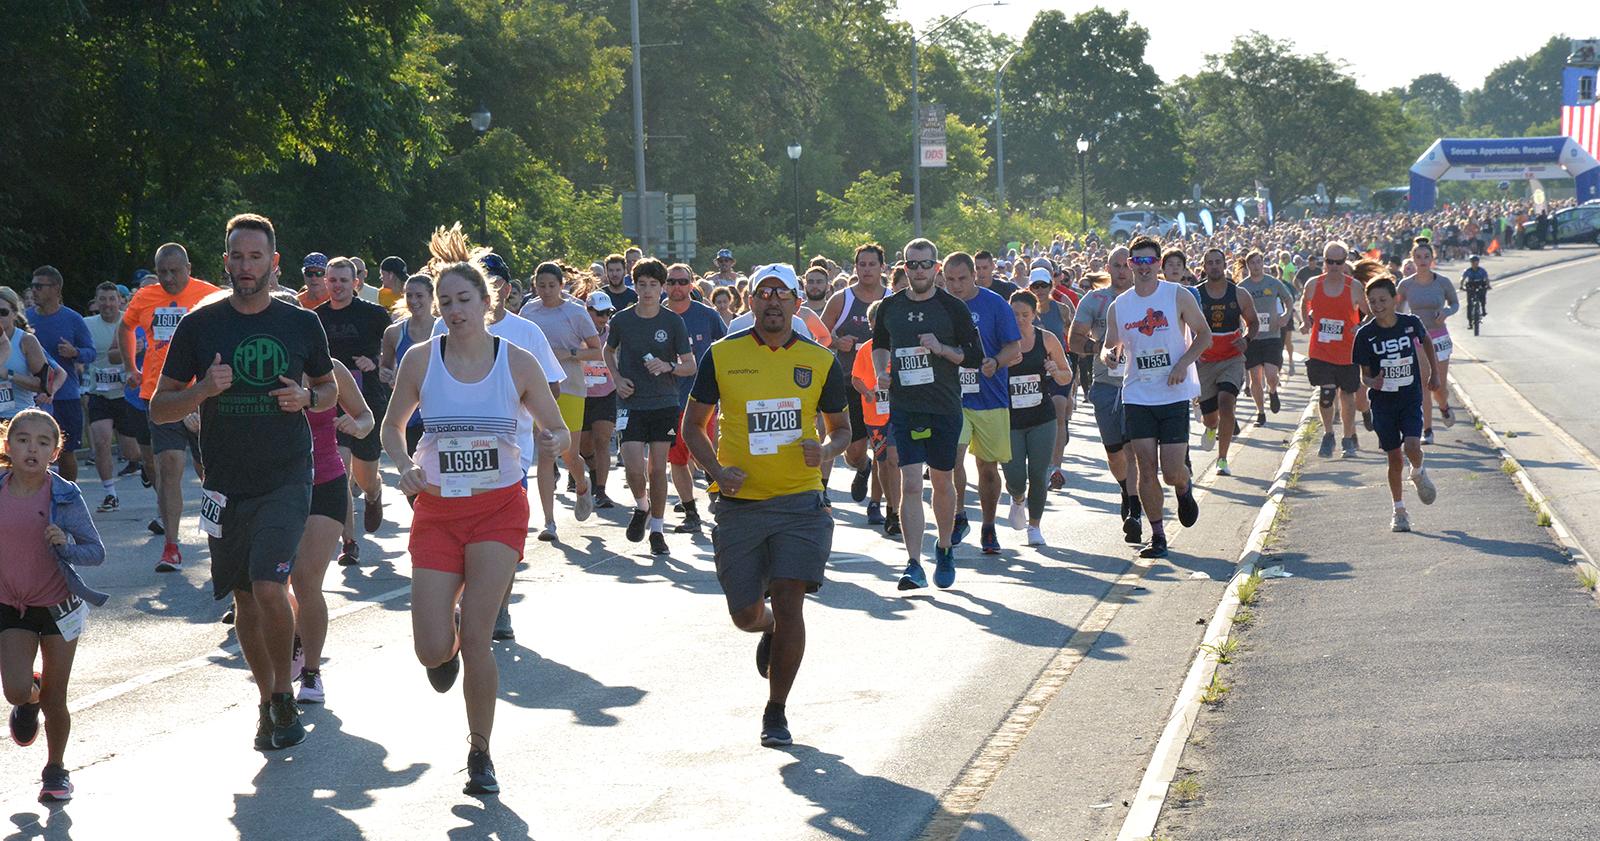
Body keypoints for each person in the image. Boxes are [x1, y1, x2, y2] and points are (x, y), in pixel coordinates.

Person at [381, 225, 569, 795]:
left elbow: (554, 423)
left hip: (497, 510)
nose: (455, 311)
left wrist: (556, 440)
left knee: (481, 637)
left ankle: (481, 753)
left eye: (465, 301)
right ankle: (447, 643)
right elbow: (391, 427)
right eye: (446, 303)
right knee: (431, 649)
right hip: (437, 510)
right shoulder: (419, 359)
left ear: (489, 302)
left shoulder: (516, 362)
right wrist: (404, 467)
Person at [152, 212, 337, 752]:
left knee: (268, 585)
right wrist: (203, 390)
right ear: (225, 260)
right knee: (245, 600)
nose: (246, 266)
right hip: (224, 483)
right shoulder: (201, 326)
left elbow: (329, 392)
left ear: (274, 263)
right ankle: (265, 699)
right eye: (237, 256)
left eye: (256, 257)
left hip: (286, 475)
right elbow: (161, 409)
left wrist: (307, 398)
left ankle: (284, 692)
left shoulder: (300, 323)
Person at [681, 263, 849, 747]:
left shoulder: (820, 361)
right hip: (740, 505)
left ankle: (776, 710)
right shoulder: (722, 354)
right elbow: (693, 426)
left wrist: (829, 450)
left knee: (792, 597)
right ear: (749, 302)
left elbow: (842, 430)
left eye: (782, 294)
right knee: (743, 613)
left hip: (801, 502)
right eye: (763, 294)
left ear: (798, 303)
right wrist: (715, 472)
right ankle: (766, 626)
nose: (772, 302)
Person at [0, 408, 107, 803]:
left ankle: (56, 769)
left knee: (56, 698)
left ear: (55, 451)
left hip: (60, 607)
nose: (32, 448)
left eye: (43, 442)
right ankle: (30, 697)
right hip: (12, 604)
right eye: (24, 439)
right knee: (15, 690)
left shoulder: (65, 494)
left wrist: (66, 543)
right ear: (8, 446)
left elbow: (95, 553)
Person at [872, 238, 983, 589]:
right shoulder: (890, 306)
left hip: (943, 406)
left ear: (936, 268)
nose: (918, 270)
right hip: (906, 407)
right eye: (912, 264)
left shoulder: (952, 307)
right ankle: (914, 563)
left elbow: (974, 356)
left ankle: (945, 547)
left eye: (925, 264)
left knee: (941, 481)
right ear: (904, 268)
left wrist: (942, 349)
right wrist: (881, 372)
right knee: (908, 484)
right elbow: (879, 345)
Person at [1102, 236, 1211, 559]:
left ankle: (1183, 488)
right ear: (1131, 265)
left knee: (1172, 469)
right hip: (1137, 394)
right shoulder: (1119, 305)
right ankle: (1158, 535)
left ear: (1159, 264)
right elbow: (1111, 345)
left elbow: (1204, 335)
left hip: (1173, 392)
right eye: (1138, 262)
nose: (1144, 267)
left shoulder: (1177, 295)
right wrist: (1109, 355)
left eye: (1151, 261)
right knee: (1146, 468)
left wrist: (1182, 363)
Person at [120, 243, 219, 570]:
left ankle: (219, 538)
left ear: (188, 268)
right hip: (160, 395)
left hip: (203, 397)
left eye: (174, 271)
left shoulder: (209, 295)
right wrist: (130, 367)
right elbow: (126, 326)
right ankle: (172, 546)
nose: (167, 278)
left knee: (211, 474)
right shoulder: (145, 296)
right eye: (162, 272)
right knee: (169, 467)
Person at [289, 352, 372, 704]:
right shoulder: (254, 370)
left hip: (326, 482)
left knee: (307, 580)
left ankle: (311, 673)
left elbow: (366, 416)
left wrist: (358, 427)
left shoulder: (330, 368)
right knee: (273, 583)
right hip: (274, 488)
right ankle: (294, 632)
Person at [603, 258, 696, 556]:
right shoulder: (622, 320)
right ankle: (641, 506)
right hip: (630, 402)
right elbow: (608, 350)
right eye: (641, 284)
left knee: (657, 470)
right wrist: (617, 378)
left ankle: (657, 529)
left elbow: (689, 365)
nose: (647, 290)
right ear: (635, 285)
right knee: (632, 468)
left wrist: (668, 365)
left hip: (664, 402)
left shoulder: (672, 322)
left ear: (662, 287)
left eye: (653, 285)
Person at [314, 257, 393, 561]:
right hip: (332, 400)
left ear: (356, 283)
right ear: (326, 282)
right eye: (332, 280)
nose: (337, 286)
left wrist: (374, 363)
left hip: (366, 402)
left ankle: (374, 494)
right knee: (341, 467)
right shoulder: (316, 318)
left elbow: (392, 353)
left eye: (344, 281)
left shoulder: (374, 314)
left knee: (364, 477)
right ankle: (349, 541)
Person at [943, 252, 1022, 555]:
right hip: (952, 396)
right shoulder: (940, 304)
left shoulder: (994, 304)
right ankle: (959, 514)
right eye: (950, 280)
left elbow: (1013, 345)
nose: (956, 286)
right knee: (952, 458)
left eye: (962, 279)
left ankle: (989, 526)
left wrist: (996, 361)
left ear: (974, 275)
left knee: (987, 469)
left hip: (990, 395)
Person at [519, 261, 599, 538]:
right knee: (545, 453)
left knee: (568, 453)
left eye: (552, 285)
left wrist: (570, 353)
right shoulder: (529, 311)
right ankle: (549, 522)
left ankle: (582, 484)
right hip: (537, 389)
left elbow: (597, 351)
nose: (546, 291)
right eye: (541, 286)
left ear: (561, 285)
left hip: (571, 386)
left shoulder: (575, 312)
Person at [1353, 275, 1439, 533]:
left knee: (1413, 446)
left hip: (1410, 397)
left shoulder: (1410, 324)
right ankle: (1399, 510)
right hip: (1383, 402)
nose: (1377, 305)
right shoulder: (1365, 335)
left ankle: (1419, 471)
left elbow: (1426, 342)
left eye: (1382, 300)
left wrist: (1434, 373)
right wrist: (1373, 382)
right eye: (1372, 301)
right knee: (1393, 457)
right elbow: (1363, 376)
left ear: (1394, 300)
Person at [1071, 249, 1143, 545]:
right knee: (1114, 451)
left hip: (1140, 385)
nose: (1123, 271)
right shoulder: (1095, 300)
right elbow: (1074, 340)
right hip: (1105, 385)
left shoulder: (1148, 296)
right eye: (1117, 266)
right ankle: (1126, 489)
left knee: (1133, 449)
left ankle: (1135, 507)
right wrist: (1099, 350)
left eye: (1128, 265)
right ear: (1108, 268)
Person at [819, 244, 889, 509]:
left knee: (884, 449)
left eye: (872, 264)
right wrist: (837, 341)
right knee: (854, 452)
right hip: (850, 383)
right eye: (862, 264)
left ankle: (877, 504)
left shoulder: (893, 298)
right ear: (856, 267)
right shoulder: (842, 299)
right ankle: (862, 468)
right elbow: (818, 337)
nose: (867, 269)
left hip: (884, 386)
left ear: (882, 267)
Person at [1004, 291, 1073, 546]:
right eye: (1014, 315)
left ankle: (1034, 526)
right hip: (1010, 419)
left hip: (1042, 417)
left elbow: (1067, 376)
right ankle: (1017, 498)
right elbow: (985, 372)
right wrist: (1004, 364)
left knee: (1038, 472)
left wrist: (1056, 371)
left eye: (1025, 315)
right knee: (1015, 476)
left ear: (1034, 315)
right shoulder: (1001, 340)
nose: (1020, 320)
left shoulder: (1047, 340)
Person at [662, 262, 727, 532]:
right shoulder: (656, 315)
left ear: (692, 284)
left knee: (704, 455)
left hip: (702, 399)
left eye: (682, 281)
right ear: (665, 284)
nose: (677, 287)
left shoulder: (707, 316)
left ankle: (720, 496)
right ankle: (691, 513)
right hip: (665, 398)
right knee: (677, 459)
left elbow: (726, 350)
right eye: (672, 281)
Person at [23, 267, 95, 482]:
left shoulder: (72, 319)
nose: (34, 290)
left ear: (55, 288)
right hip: (33, 396)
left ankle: (68, 496)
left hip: (66, 396)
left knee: (66, 452)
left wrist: (75, 352)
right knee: (31, 452)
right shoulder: (25, 319)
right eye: (32, 286)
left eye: (39, 286)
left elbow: (90, 353)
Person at [1192, 248, 1259, 476]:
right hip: (1205, 362)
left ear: (1224, 264)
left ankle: (1222, 459)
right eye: (1209, 262)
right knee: (1211, 418)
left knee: (1227, 402)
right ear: (1203, 266)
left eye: (1217, 262)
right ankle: (1212, 428)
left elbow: (1253, 322)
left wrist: (1246, 339)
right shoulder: (1195, 295)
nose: (1214, 266)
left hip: (1232, 358)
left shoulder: (1239, 294)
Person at [1301, 241, 1369, 458]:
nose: (1333, 266)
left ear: (1344, 262)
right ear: (1324, 261)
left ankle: (1348, 438)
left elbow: (1368, 312)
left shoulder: (1354, 287)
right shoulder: (1313, 284)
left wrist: (1359, 326)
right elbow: (1305, 302)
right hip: (1320, 350)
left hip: (1346, 352)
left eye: (1338, 262)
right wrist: (1305, 321)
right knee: (1327, 393)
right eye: (1329, 261)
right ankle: (1329, 434)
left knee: (1347, 396)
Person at [83, 282, 144, 512]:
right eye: (103, 299)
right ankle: (110, 494)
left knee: (132, 451)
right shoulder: (87, 324)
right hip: (99, 393)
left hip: (126, 394)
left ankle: (143, 464)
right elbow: (81, 349)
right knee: (101, 441)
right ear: (96, 302)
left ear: (120, 300)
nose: (107, 304)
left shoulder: (131, 322)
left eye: (111, 299)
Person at [1396, 238, 1460, 444]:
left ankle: (1444, 406)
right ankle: (1428, 430)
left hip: (1439, 337)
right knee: (1423, 385)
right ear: (1412, 259)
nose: (1422, 261)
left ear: (1432, 258)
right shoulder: (1405, 285)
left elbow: (1455, 303)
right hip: (1417, 339)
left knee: (1438, 386)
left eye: (1426, 257)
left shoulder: (1442, 282)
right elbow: (1396, 310)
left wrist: (1447, 311)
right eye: (1418, 257)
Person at [850, 301, 900, 533]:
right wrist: (868, 392)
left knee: (894, 460)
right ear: (870, 326)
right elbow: (855, 379)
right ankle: (887, 504)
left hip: (898, 413)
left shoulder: (901, 346)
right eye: (875, 323)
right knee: (882, 463)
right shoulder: (865, 349)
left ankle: (894, 511)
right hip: (874, 415)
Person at [379, 273, 437, 459]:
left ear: (431, 297)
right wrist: (388, 376)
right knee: (415, 475)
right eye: (409, 295)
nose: (413, 300)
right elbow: (384, 368)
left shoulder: (445, 329)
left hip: (437, 412)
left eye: (419, 296)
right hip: (409, 416)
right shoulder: (394, 332)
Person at [1237, 251, 1296, 426]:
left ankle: (1272, 390)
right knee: (1255, 377)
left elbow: (1288, 299)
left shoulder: (1272, 282)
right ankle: (1260, 412)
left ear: (1263, 263)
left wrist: (1286, 315)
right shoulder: (1242, 286)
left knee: (1271, 374)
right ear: (1247, 266)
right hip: (1253, 337)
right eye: (1252, 263)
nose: (1255, 266)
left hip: (1272, 335)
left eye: (1258, 262)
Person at [579, 292, 619, 509]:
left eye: (608, 313)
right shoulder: (577, 333)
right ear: (588, 312)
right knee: (583, 446)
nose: (604, 317)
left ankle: (601, 491)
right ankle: (593, 473)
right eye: (599, 313)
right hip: (582, 394)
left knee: (603, 441)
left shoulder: (614, 334)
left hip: (607, 393)